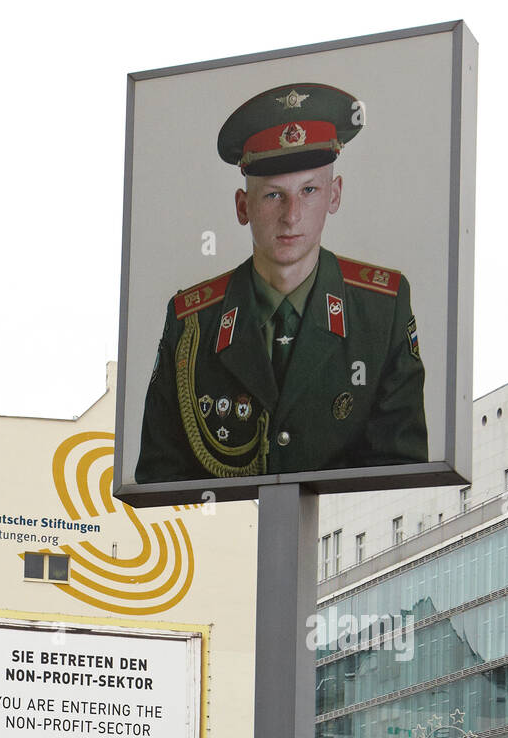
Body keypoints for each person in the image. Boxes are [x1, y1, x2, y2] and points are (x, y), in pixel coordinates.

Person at [137, 82, 427, 485]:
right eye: (274, 196)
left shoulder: (382, 309)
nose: (292, 216)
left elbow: (402, 475)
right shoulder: (192, 323)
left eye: (309, 190)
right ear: (243, 206)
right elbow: (159, 482)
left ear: (335, 195)